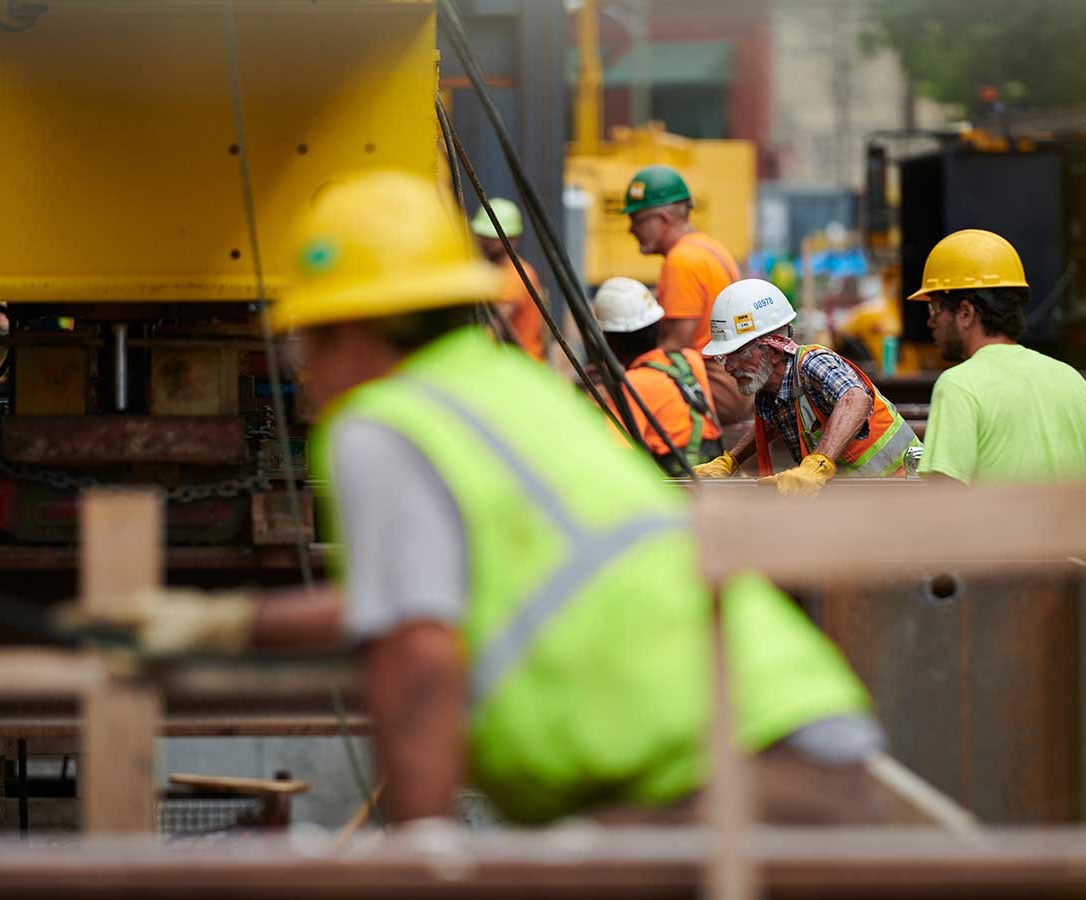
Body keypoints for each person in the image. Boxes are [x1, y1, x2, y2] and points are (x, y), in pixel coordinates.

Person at [103, 171, 884, 826]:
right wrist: (232, 622)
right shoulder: (506, 387)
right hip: (790, 731)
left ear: (355, 330)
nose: (304, 364)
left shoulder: (381, 425)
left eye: (308, 338)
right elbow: (444, 588)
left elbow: (418, 655)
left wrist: (423, 851)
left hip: (710, 772)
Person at [694, 279, 920, 496]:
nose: (729, 367)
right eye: (724, 358)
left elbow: (856, 399)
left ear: (773, 351)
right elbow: (771, 424)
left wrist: (818, 464)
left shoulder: (813, 362)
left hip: (903, 489)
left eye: (739, 354)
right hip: (864, 500)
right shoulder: (772, 390)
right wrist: (729, 462)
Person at [907, 229, 1086, 484]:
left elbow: (944, 505)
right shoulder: (1071, 379)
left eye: (934, 308)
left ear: (966, 312)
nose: (930, 321)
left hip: (999, 526)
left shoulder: (959, 385)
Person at [622, 164, 752, 424]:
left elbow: (676, 347)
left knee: (614, 395)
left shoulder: (682, 260)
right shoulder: (708, 247)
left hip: (715, 388)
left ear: (663, 219)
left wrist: (627, 373)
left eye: (637, 220)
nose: (631, 229)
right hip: (735, 383)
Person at [591, 276, 723, 474]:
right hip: (713, 470)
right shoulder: (689, 360)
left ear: (611, 340)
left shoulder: (632, 385)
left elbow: (618, 453)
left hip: (674, 481)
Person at [470, 198, 545, 360]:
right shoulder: (489, 270)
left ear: (512, 239)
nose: (484, 241)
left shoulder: (516, 275)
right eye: (481, 235)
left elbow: (496, 327)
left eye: (491, 236)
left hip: (523, 368)